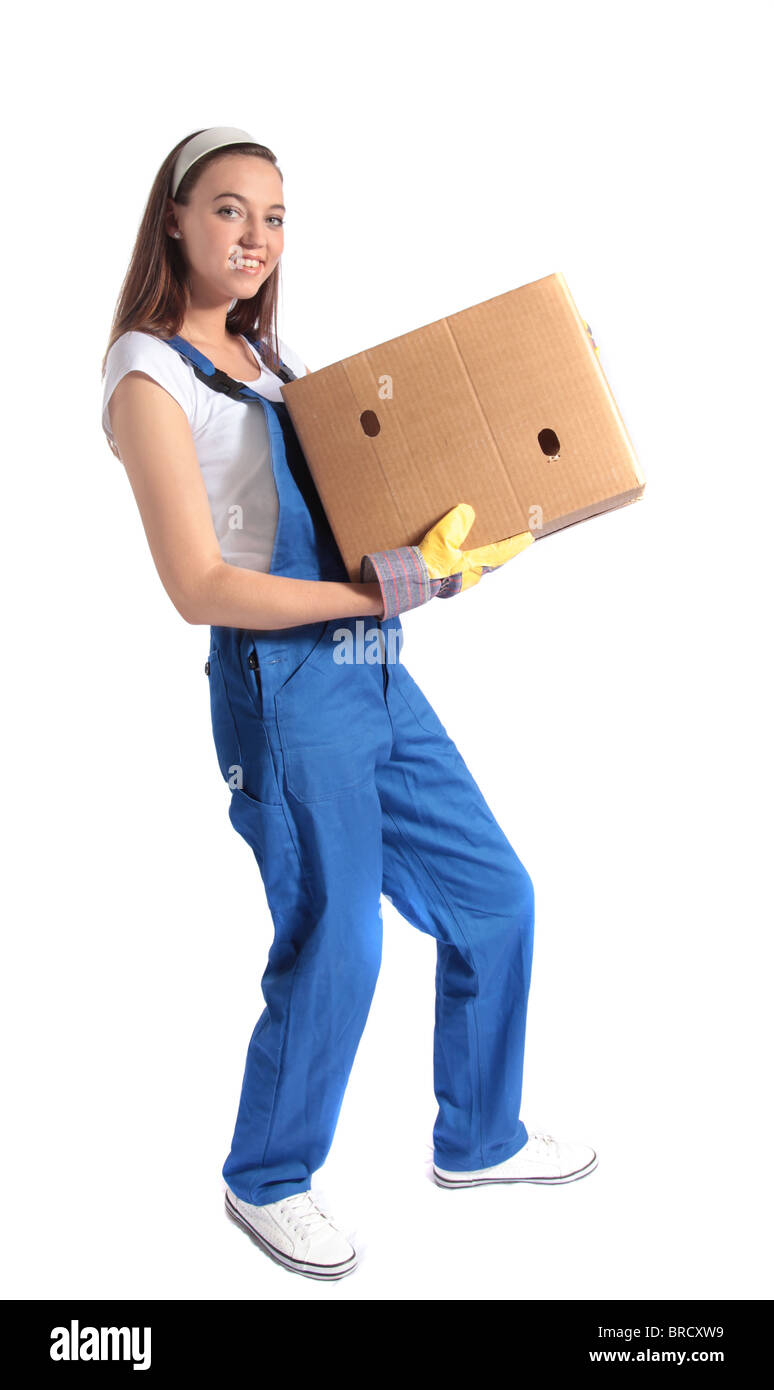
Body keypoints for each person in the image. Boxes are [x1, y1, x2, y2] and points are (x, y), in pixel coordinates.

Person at [101, 126, 597, 1283]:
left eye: (273, 218)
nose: (255, 238)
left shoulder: (279, 363)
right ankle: (266, 1176)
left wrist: (450, 542)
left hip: (375, 663)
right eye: (229, 211)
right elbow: (197, 584)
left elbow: (358, 500)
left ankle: (480, 1136)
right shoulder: (148, 375)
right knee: (340, 938)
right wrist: (367, 586)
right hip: (279, 687)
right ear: (175, 220)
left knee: (495, 896)